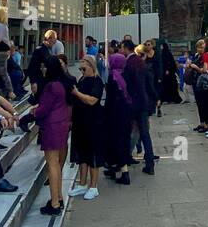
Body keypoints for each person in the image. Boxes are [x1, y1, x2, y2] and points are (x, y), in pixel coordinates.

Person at [33, 56, 73, 214]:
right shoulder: (62, 83)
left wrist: (34, 111)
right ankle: (59, 197)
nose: (42, 69)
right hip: (61, 124)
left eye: (44, 67)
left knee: (52, 164)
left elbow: (44, 109)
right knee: (56, 164)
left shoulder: (51, 86)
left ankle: (55, 202)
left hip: (52, 126)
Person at [70, 56, 105, 201]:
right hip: (80, 121)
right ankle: (82, 183)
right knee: (82, 153)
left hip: (93, 121)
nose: (82, 70)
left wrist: (77, 93)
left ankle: (93, 186)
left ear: (91, 66)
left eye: (84, 67)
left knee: (92, 154)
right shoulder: (82, 80)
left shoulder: (97, 81)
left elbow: (92, 100)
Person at [125, 42, 157, 173]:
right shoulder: (143, 66)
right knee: (144, 134)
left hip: (133, 103)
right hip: (144, 103)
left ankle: (126, 157)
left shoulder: (130, 65)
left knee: (131, 132)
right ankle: (149, 162)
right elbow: (150, 85)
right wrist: (155, 98)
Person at [104, 51, 135, 183]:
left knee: (116, 141)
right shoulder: (127, 74)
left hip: (115, 113)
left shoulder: (113, 77)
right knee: (124, 139)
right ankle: (115, 167)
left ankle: (124, 172)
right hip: (127, 111)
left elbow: (110, 98)